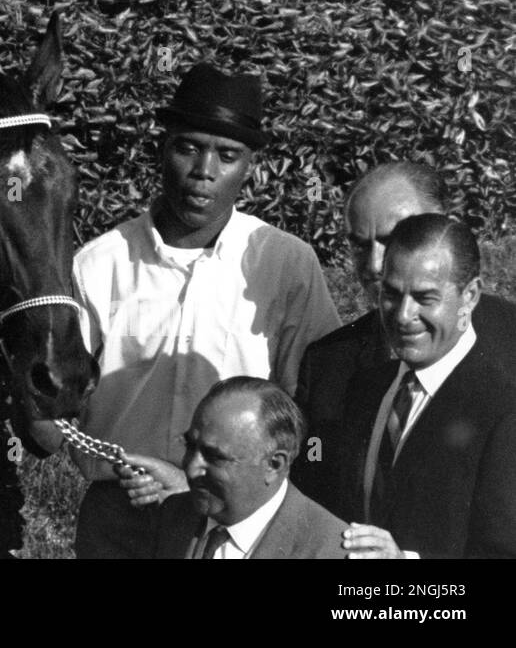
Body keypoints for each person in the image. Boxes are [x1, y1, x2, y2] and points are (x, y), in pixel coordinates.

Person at [71, 62, 341, 559]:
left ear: (251, 166)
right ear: (162, 147)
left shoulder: (285, 264)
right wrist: (117, 463)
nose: (204, 171)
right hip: (120, 515)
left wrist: (217, 477)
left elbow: (312, 402)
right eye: (188, 147)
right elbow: (53, 408)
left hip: (231, 522)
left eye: (227, 155)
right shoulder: (99, 263)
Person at [293, 161, 516, 511]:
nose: (375, 265)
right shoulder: (327, 365)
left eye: (395, 238)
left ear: (447, 225)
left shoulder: (509, 343)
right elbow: (313, 466)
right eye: (360, 245)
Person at [338, 215, 516, 559]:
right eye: (390, 294)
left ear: (470, 296)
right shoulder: (366, 387)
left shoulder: (503, 411)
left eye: (425, 298)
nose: (403, 315)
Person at [153, 377, 347, 559]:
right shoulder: (174, 514)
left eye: (214, 456)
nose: (192, 469)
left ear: (274, 464)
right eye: (190, 446)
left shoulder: (332, 551)